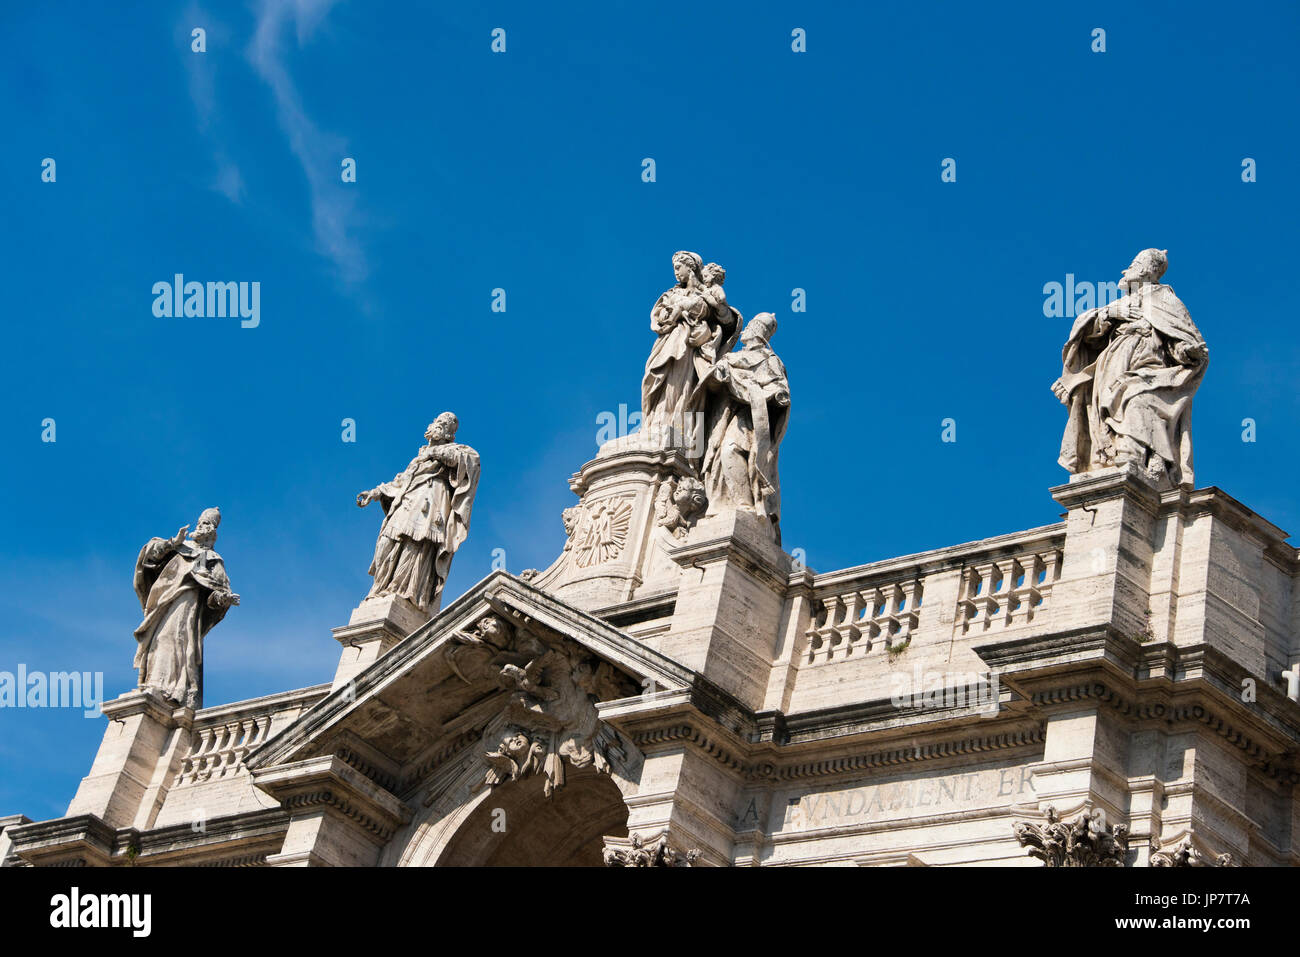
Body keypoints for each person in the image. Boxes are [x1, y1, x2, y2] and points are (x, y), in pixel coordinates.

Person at [1052, 248, 1208, 487]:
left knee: (1137, 400)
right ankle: (1116, 458)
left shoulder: (1166, 300)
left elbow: (1182, 339)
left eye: (1134, 264)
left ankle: (1141, 460)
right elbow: (1089, 335)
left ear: (1147, 270)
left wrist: (1188, 351)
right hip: (1112, 367)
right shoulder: (1120, 303)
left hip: (1150, 368)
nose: (1126, 269)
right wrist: (1109, 314)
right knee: (1110, 409)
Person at [357, 412, 480, 613]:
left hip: (429, 504)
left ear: (450, 434)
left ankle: (403, 592)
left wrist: (436, 453)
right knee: (386, 544)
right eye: (436, 421)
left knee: (414, 546)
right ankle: (380, 589)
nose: (437, 425)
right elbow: (401, 482)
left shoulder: (456, 451)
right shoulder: (420, 456)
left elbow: (470, 462)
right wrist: (376, 492)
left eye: (444, 424)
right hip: (406, 503)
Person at [133, 507, 239, 709]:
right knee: (159, 639)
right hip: (166, 601)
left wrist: (224, 598)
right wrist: (172, 543)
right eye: (201, 522)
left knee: (176, 641)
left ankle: (168, 688)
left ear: (213, 532)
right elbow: (150, 556)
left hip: (187, 604)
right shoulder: (182, 546)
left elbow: (215, 590)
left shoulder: (210, 558)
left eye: (207, 524)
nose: (201, 526)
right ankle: (155, 683)